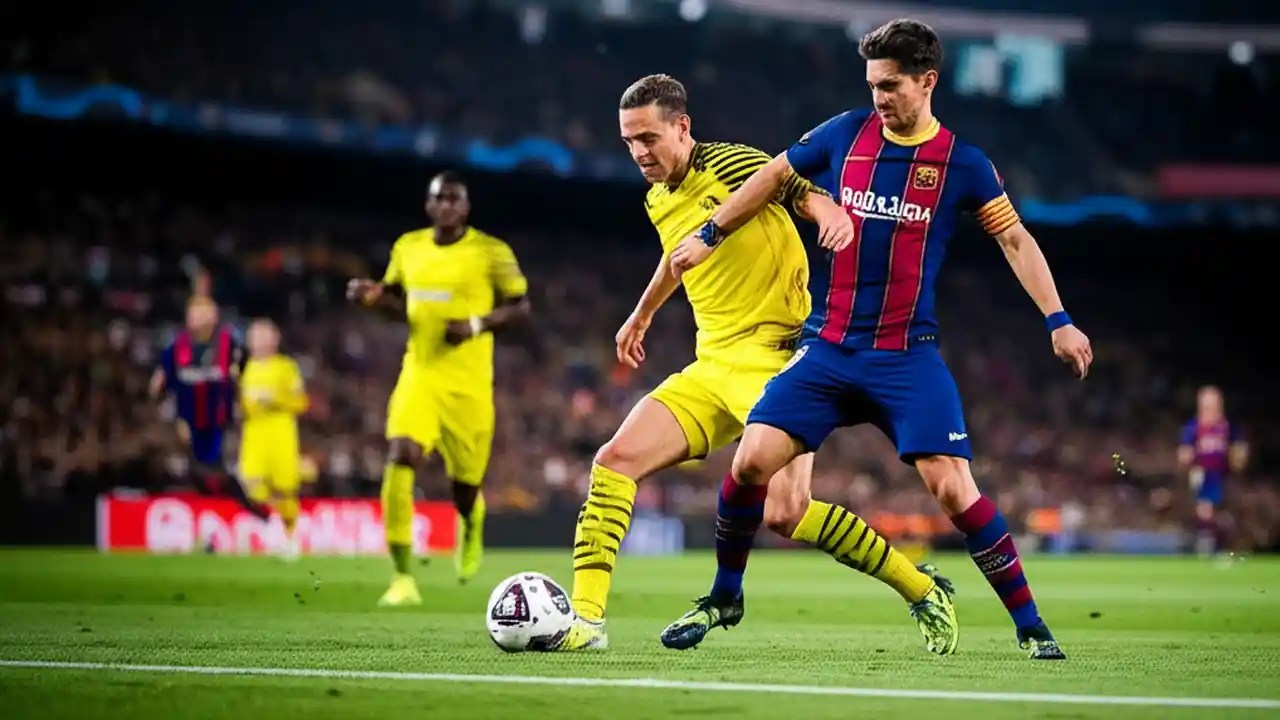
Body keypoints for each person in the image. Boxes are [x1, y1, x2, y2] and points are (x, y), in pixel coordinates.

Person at [660, 19, 1093, 660]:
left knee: (952, 488)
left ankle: (1031, 627)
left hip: (905, 355)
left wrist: (1059, 319)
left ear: (927, 81)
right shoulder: (844, 133)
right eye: (871, 85)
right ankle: (725, 595)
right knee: (750, 461)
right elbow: (773, 176)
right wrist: (712, 232)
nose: (878, 98)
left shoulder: (963, 164)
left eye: (890, 85)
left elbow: (1014, 239)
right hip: (828, 347)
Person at [545, 74, 958, 654]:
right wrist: (640, 315)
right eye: (628, 142)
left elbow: (791, 186)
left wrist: (828, 212)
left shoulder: (731, 164)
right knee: (613, 461)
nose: (639, 152)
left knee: (787, 514)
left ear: (682, 127)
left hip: (779, 360)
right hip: (711, 364)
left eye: (648, 137)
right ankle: (586, 623)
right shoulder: (658, 197)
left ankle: (921, 588)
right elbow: (675, 257)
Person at [346, 171, 531, 605]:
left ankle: (471, 521)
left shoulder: (490, 252)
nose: (446, 205)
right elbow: (397, 303)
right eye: (439, 199)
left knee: (464, 489)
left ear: (465, 207)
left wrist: (475, 324)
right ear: (429, 206)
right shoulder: (407, 248)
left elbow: (521, 306)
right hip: (421, 373)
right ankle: (402, 577)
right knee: (400, 455)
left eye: (454, 199)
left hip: (468, 386)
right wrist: (373, 297)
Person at [150, 295, 265, 520]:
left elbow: (245, 375)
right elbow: (161, 382)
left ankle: (249, 513)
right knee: (186, 472)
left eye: (206, 312)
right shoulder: (176, 347)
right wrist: (160, 396)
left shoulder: (229, 343)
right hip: (186, 425)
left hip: (223, 425)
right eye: (196, 313)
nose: (201, 318)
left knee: (229, 472)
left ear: (215, 315)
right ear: (188, 317)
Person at [238, 318, 309, 560]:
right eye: (255, 336)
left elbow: (301, 402)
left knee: (285, 490)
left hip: (281, 434)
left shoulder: (286, 367)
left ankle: (289, 539)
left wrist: (275, 400)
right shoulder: (242, 369)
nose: (259, 341)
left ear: (275, 339)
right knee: (251, 485)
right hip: (254, 436)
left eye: (264, 335)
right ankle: (271, 528)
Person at [1176, 385, 1248, 555]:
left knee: (1222, 513)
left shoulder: (1228, 426)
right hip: (1203, 473)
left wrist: (1237, 458)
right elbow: (1184, 453)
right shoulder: (1193, 427)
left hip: (1224, 475)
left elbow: (1240, 451)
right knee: (1205, 510)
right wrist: (1188, 460)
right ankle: (1208, 545)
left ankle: (1220, 543)